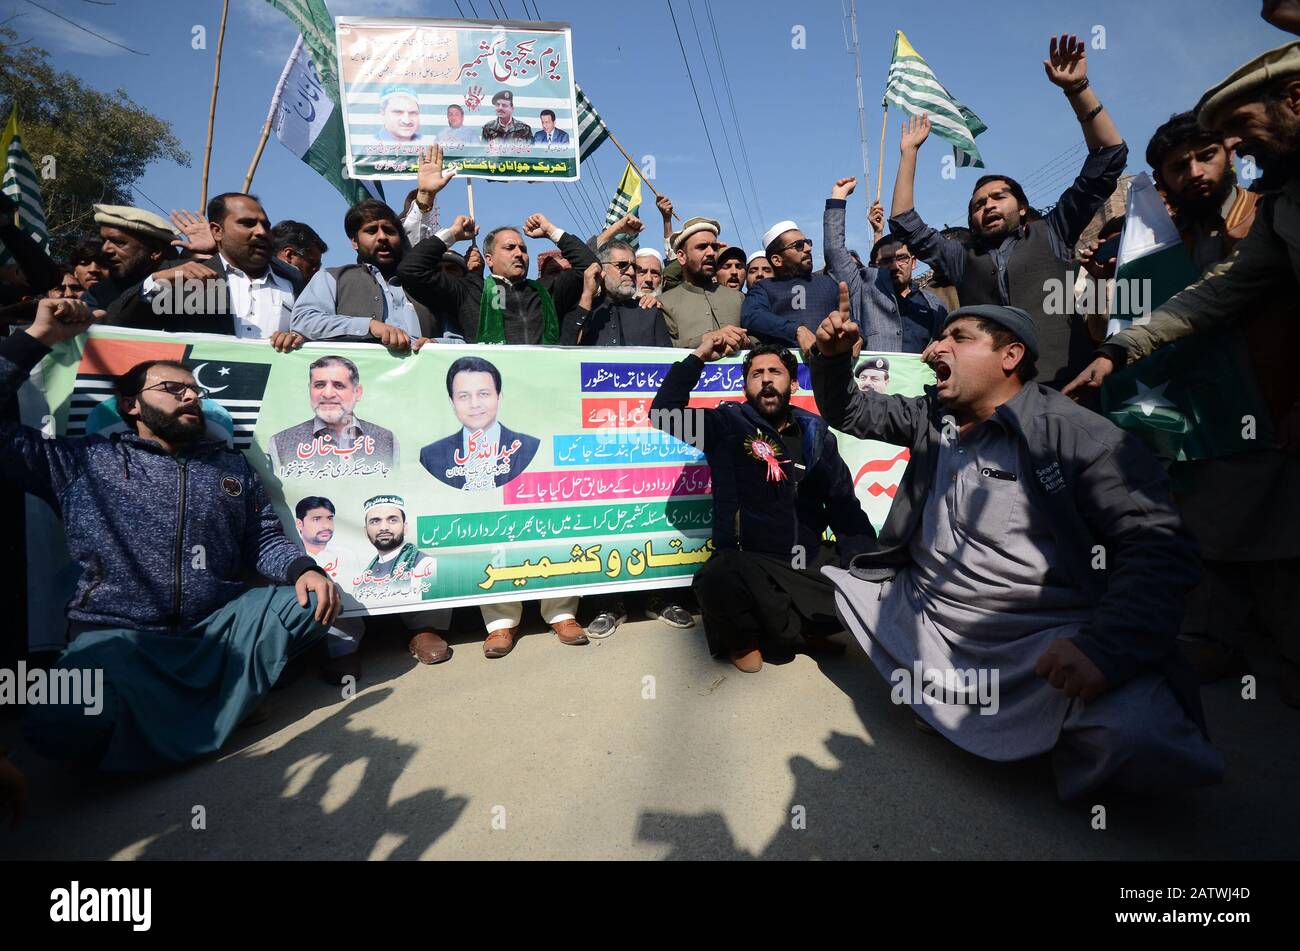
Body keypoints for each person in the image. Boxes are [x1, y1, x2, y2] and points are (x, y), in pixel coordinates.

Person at [807, 286, 1224, 800]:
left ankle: (987, 717)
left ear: (1011, 356)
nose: (933, 350)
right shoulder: (930, 416)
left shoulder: (1077, 437)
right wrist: (830, 359)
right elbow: (849, 412)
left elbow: (1160, 548)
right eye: (937, 339)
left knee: (1141, 738)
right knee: (844, 589)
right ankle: (965, 708)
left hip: (1035, 648)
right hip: (927, 619)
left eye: (957, 338)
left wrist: (1103, 649)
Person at [3, 298, 340, 771]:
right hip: (120, 641)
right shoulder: (80, 461)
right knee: (58, 721)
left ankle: (194, 712)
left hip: (215, 633)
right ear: (130, 405)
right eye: (171, 388)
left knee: (310, 603)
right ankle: (223, 707)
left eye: (195, 391)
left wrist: (305, 567)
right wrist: (35, 339)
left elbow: (263, 539)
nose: (190, 397)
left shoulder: (229, 466)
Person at [1072, 108, 1300, 705]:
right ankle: (1215, 640)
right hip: (1206, 421)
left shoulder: (1269, 214)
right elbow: (1157, 315)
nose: (1195, 173)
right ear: (1163, 180)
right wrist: (1112, 331)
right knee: (1208, 533)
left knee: (1282, 546)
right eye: (1179, 167)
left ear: (1232, 152)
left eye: (1207, 156)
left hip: (1274, 404)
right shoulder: (1176, 246)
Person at [889, 33, 1127, 391]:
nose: (987, 206)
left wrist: (1077, 89)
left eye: (998, 196)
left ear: (1022, 206)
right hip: (993, 400)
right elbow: (905, 223)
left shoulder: (1054, 231)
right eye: (978, 205)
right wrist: (909, 154)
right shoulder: (960, 258)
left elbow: (1109, 156)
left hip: (1066, 388)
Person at [652, 336, 875, 671]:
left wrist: (865, 565)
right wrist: (698, 357)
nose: (766, 379)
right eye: (756, 374)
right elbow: (664, 415)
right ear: (745, 386)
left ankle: (807, 629)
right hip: (749, 562)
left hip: (805, 560)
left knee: (863, 578)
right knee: (717, 575)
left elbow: (844, 505)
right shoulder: (725, 425)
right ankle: (744, 640)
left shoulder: (817, 436)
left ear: (794, 383)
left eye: (775, 372)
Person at [105, 193, 307, 348]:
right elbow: (115, 326)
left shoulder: (293, 282)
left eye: (265, 225)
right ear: (217, 231)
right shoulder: (180, 278)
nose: (261, 232)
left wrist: (301, 339)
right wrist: (155, 283)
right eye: (248, 223)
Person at [398, 211, 597, 344]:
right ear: (489, 259)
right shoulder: (470, 293)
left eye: (523, 249)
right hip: (491, 395)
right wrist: (452, 234)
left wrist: (551, 231)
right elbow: (411, 270)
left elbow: (589, 266)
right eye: (510, 248)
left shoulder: (546, 291)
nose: (519, 253)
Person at [292, 197, 448, 346]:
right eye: (371, 231)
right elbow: (303, 321)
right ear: (355, 242)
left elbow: (458, 339)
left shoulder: (427, 284)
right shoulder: (332, 278)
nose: (382, 237)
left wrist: (434, 344)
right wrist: (369, 326)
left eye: (389, 231)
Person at [825, 176, 947, 353]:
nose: (895, 265)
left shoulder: (935, 304)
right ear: (875, 265)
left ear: (913, 262)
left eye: (902, 258)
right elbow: (834, 250)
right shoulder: (863, 286)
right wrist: (838, 197)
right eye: (886, 261)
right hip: (872, 378)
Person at [339, 494, 454, 678]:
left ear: (405, 526)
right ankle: (341, 646)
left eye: (392, 520)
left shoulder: (424, 562)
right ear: (365, 530)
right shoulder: (366, 566)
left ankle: (425, 628)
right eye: (375, 521)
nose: (384, 527)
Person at [268, 354, 400, 478]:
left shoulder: (386, 440)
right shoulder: (280, 443)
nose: (328, 394)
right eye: (319, 385)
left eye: (339, 385)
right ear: (310, 390)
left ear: (357, 393)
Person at [419, 355, 539, 490]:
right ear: (452, 402)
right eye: (463, 396)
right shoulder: (431, 456)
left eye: (483, 394)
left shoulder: (531, 447)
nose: (474, 404)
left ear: (499, 397)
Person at [742, 218, 842, 349]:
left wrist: (859, 337)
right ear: (777, 260)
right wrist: (795, 331)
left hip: (828, 365)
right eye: (798, 245)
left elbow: (849, 318)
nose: (808, 248)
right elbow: (752, 316)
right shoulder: (764, 287)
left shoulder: (828, 284)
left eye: (807, 242)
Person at [658, 217, 745, 349]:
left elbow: (758, 338)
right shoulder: (664, 303)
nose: (711, 253)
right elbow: (661, 347)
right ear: (681, 256)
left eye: (714, 247)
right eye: (702, 247)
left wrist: (744, 340)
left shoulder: (738, 298)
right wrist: (704, 340)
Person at [563, 242, 673, 346]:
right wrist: (587, 294)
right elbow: (568, 347)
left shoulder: (650, 311)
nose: (630, 272)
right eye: (622, 265)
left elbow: (666, 360)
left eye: (634, 267)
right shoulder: (582, 307)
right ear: (602, 269)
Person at [81, 203, 179, 312]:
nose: (105, 249)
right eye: (104, 241)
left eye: (119, 242)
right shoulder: (96, 294)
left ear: (155, 251)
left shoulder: (186, 289)